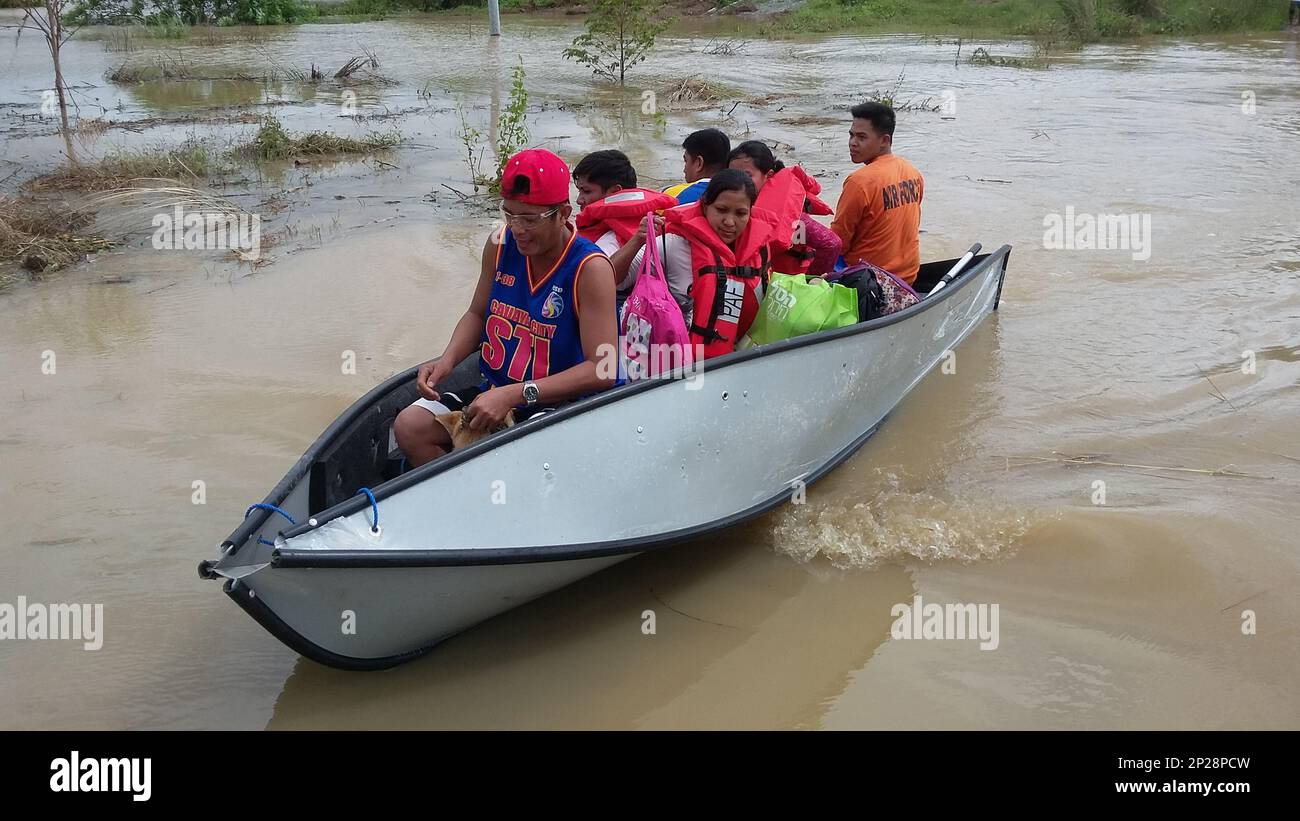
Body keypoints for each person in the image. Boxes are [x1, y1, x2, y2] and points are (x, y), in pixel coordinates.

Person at [393, 149, 619, 467]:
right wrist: (447, 361)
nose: (518, 229)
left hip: (560, 403)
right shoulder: (500, 246)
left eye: (530, 219)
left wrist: (515, 395)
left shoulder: (589, 268)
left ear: (563, 213)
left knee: (512, 456)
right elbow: (477, 314)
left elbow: (603, 369)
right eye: (510, 215)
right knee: (409, 426)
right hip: (495, 391)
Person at [618, 169, 779, 359]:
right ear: (704, 206)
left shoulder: (760, 248)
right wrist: (637, 239)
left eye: (741, 213)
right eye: (721, 210)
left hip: (740, 360)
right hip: (681, 364)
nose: (729, 221)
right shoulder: (672, 244)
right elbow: (614, 280)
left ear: (751, 212)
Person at [830, 102, 925, 284]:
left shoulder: (859, 182)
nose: (852, 143)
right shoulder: (913, 172)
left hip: (871, 283)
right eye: (851, 135)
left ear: (884, 141)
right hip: (908, 276)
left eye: (861, 137)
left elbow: (838, 243)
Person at [727, 140, 841, 277]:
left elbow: (832, 243)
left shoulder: (791, 216)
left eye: (747, 175)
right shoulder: (725, 205)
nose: (736, 182)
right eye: (731, 175)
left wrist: (811, 281)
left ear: (768, 175)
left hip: (788, 286)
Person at [572, 149, 677, 277]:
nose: (578, 200)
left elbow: (603, 278)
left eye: (586, 191)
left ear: (615, 192)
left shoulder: (609, 241)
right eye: (579, 191)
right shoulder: (652, 219)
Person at [662, 128, 730, 206]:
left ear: (699, 163)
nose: (684, 170)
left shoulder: (672, 196)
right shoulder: (741, 193)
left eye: (686, 161)